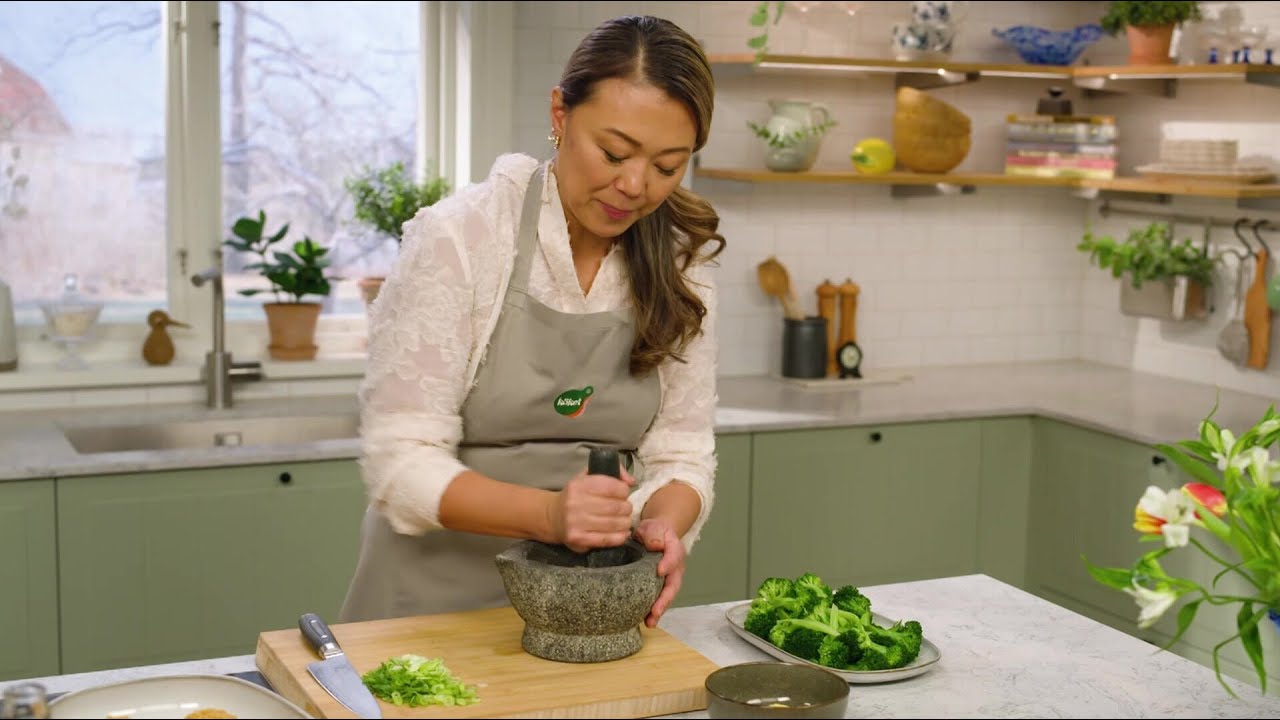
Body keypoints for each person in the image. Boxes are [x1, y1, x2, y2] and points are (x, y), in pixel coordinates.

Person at [340, 15, 724, 629]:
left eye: (667, 166)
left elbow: (682, 455)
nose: (634, 186)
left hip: (586, 614)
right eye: (614, 152)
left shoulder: (680, 262)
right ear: (559, 115)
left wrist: (661, 526)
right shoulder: (463, 238)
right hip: (425, 612)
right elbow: (400, 464)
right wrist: (550, 517)